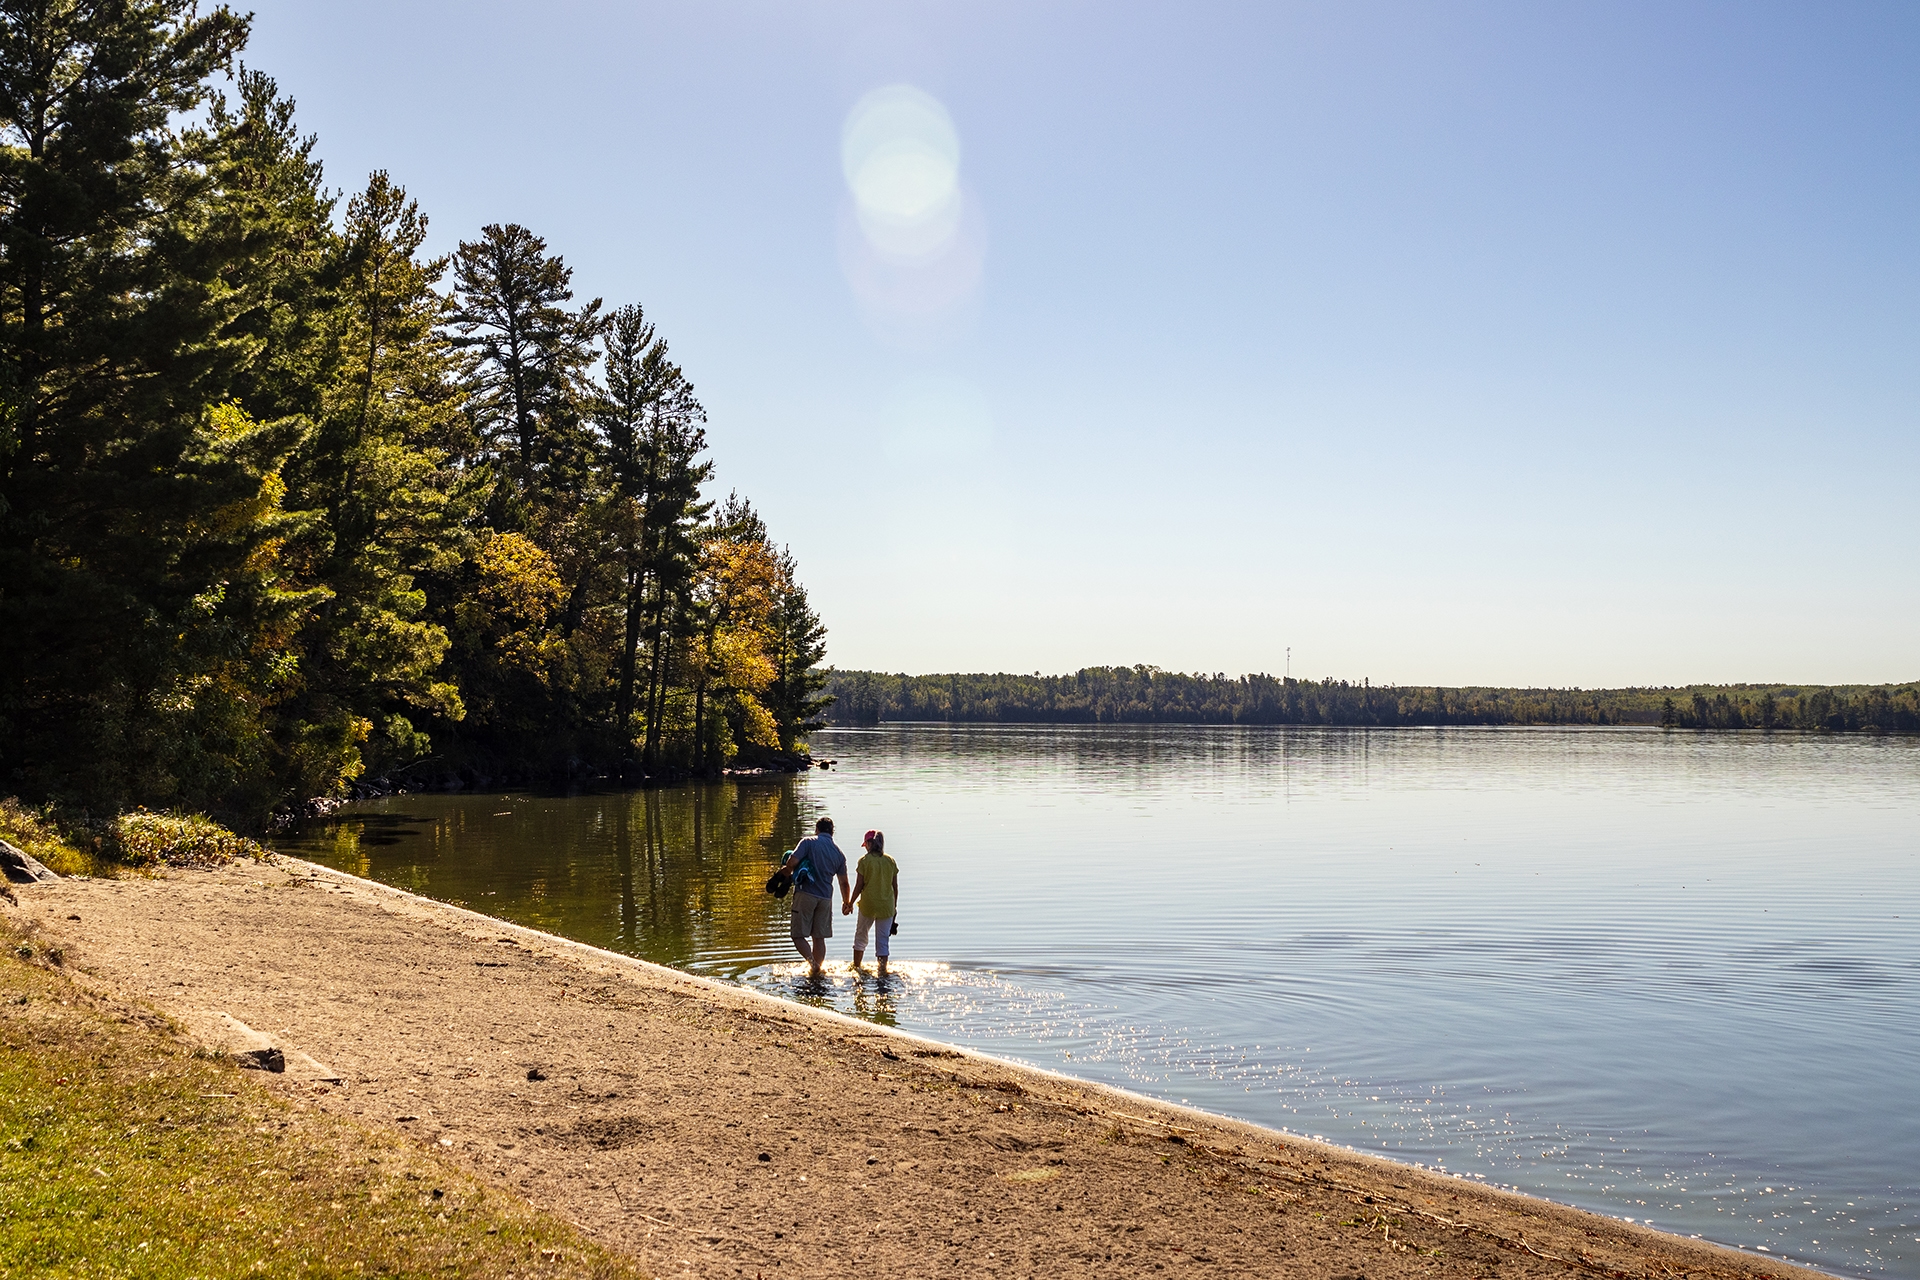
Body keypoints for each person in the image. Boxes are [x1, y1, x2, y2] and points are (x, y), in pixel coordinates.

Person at [781, 817, 850, 979]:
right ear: (832, 832)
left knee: (797, 935)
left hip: (806, 894)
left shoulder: (808, 842)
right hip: (825, 899)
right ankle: (816, 973)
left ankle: (813, 965)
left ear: (817, 829)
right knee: (819, 938)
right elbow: (844, 883)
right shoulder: (839, 854)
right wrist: (846, 902)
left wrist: (785, 873)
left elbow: (792, 862)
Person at [846, 829, 899, 978]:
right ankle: (882, 972)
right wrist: (894, 907)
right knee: (882, 940)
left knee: (861, 936)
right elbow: (895, 887)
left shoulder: (864, 861)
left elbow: (859, 885)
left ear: (869, 844)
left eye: (866, 845)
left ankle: (856, 967)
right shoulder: (890, 861)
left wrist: (850, 902)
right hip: (886, 906)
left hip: (868, 905)